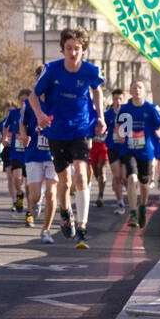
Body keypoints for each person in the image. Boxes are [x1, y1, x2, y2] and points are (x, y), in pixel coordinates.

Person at [28, 28, 105, 250]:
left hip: (81, 128)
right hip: (56, 130)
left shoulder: (91, 70)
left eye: (77, 49)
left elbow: (97, 91)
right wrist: (41, 116)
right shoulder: (52, 70)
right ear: (63, 49)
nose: (73, 53)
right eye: (69, 48)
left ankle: (82, 227)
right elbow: (34, 96)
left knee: (81, 176)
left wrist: (100, 115)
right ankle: (65, 212)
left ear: (83, 49)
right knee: (65, 181)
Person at [113, 79, 160, 229]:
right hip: (129, 150)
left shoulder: (152, 108)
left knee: (144, 185)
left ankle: (142, 207)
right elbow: (117, 124)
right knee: (131, 178)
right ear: (130, 92)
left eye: (140, 88)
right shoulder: (124, 109)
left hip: (146, 152)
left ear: (145, 91)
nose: (137, 90)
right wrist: (119, 133)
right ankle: (133, 213)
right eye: (134, 88)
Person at [21, 92, 58, 239]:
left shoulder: (58, 99)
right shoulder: (29, 102)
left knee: (51, 193)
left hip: (54, 154)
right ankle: (37, 202)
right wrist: (24, 135)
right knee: (34, 196)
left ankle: (46, 230)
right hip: (34, 154)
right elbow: (22, 123)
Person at [3, 92, 29, 213]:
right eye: (22, 100)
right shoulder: (13, 113)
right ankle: (19, 193)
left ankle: (30, 211)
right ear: (18, 101)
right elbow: (5, 125)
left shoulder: (34, 113)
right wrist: (4, 138)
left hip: (30, 153)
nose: (24, 103)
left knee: (30, 185)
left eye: (26, 100)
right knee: (16, 178)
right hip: (16, 152)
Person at [105, 88, 128, 214]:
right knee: (117, 176)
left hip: (125, 148)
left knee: (125, 176)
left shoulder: (128, 113)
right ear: (112, 100)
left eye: (120, 99)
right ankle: (120, 203)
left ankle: (125, 194)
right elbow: (102, 128)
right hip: (112, 147)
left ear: (123, 99)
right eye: (115, 99)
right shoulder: (108, 114)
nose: (118, 101)